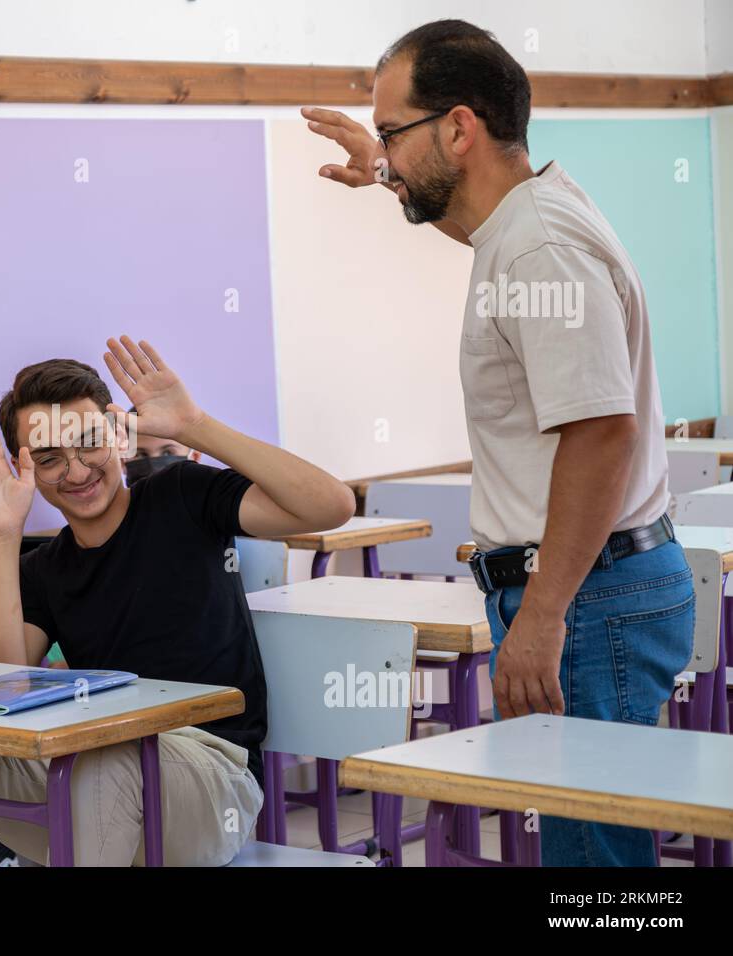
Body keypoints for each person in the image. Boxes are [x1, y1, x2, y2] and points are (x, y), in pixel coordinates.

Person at [304, 20, 693, 865]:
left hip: (590, 594)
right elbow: (463, 217)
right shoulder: (519, 224)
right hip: (590, 587)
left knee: (598, 874)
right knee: (585, 854)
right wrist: (384, 176)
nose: (385, 152)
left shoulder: (541, 248)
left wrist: (544, 615)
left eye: (391, 133)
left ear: (458, 126)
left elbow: (601, 432)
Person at [0, 336, 355, 866]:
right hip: (87, 773)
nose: (78, 470)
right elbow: (2, 693)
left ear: (116, 434)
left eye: (89, 442)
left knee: (106, 754)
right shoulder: (44, 568)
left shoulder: (181, 494)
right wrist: (2, 535)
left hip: (207, 778)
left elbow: (331, 505)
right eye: (49, 458)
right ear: (28, 470)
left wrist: (193, 424)